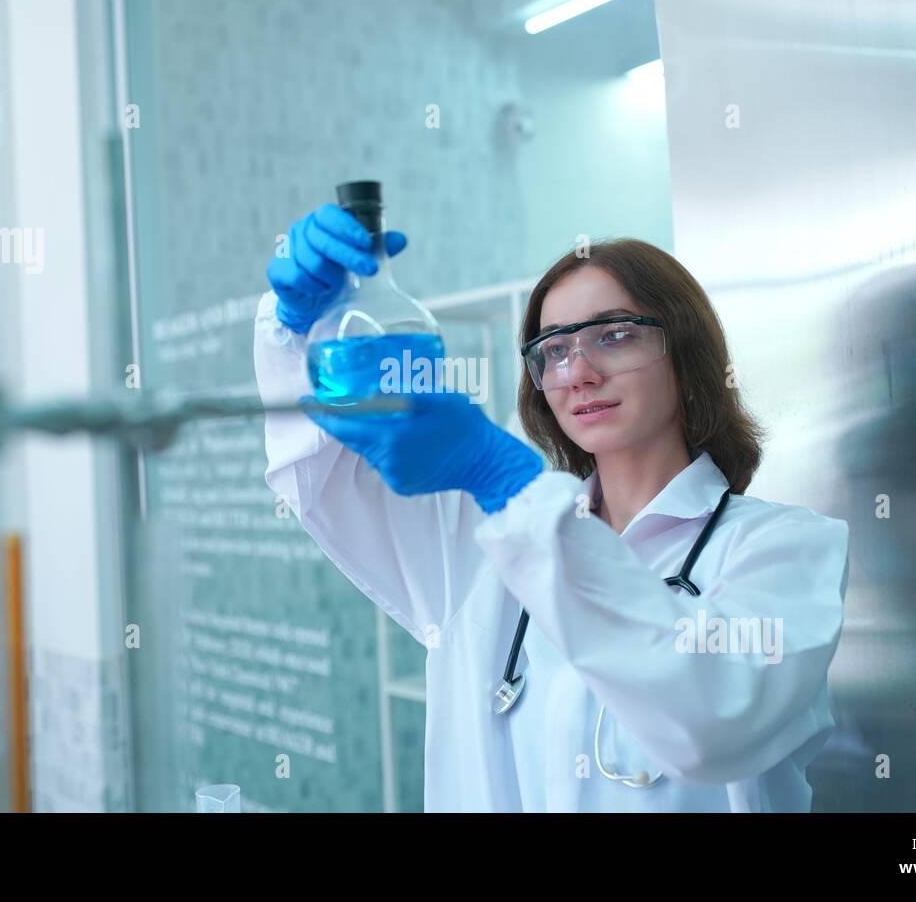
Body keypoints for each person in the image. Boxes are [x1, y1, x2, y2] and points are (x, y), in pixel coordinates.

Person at [254, 203, 850, 812]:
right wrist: (299, 327)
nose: (579, 373)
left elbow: (714, 720)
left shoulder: (787, 551)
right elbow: (326, 474)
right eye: (554, 350)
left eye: (613, 336)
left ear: (687, 357)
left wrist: (505, 480)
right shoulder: (480, 543)